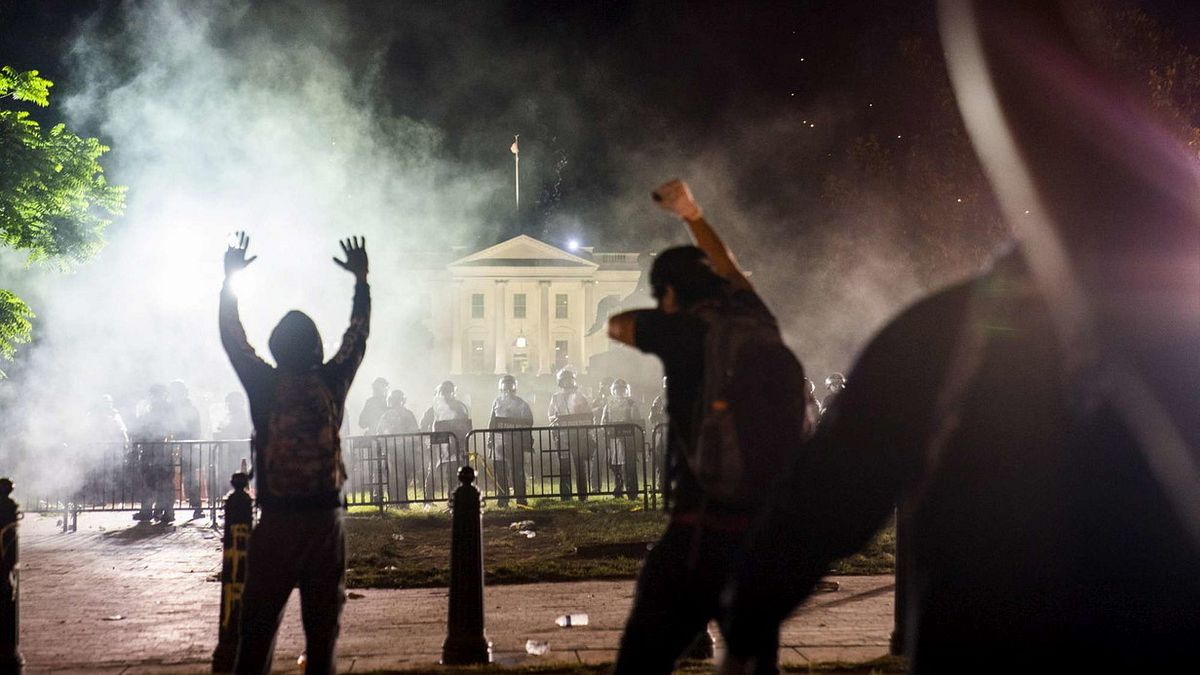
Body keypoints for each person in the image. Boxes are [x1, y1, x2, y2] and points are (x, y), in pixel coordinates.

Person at [719, 3, 1200, 672]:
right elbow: (823, 499)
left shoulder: (941, 336)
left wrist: (749, 612)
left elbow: (820, 502)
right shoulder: (950, 339)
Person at [606, 179, 809, 673]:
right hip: (761, 535)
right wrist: (693, 217)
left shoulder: (681, 332)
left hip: (699, 533)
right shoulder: (755, 316)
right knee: (755, 664)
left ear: (671, 294)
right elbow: (730, 267)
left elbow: (616, 325)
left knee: (641, 661)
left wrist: (664, 317)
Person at [220, 231, 370, 674]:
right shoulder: (332, 382)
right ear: (316, 347)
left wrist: (229, 281)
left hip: (279, 520)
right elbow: (357, 337)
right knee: (322, 635)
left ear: (276, 348)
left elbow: (233, 338)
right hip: (326, 522)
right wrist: (361, 282)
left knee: (258, 628)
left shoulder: (265, 385)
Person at [420, 380, 471, 502]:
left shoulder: (460, 407)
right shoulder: (434, 409)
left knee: (453, 473)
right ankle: (428, 500)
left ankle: (452, 499)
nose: (446, 395)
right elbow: (423, 424)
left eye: (449, 392)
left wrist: (460, 438)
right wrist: (427, 438)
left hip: (454, 445)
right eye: (444, 392)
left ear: (453, 393)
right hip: (438, 445)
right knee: (432, 472)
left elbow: (465, 425)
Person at [488, 375, 534, 507]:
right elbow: (492, 421)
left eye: (510, 385)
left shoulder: (521, 403)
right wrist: (490, 438)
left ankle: (521, 499)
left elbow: (529, 421)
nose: (507, 388)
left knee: (518, 472)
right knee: (501, 473)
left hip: (516, 442)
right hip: (499, 443)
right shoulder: (497, 402)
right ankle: (503, 499)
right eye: (505, 385)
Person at [547, 368, 593, 500]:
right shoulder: (555, 397)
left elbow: (588, 415)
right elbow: (550, 415)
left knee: (580, 466)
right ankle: (566, 496)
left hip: (579, 435)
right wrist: (557, 420)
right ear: (560, 381)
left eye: (569, 379)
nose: (567, 382)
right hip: (562, 436)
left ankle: (583, 496)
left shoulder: (581, 397)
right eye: (565, 380)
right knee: (564, 466)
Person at [132, 384, 174, 523]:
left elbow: (168, 429)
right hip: (150, 452)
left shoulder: (168, 410)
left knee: (164, 482)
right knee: (149, 482)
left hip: (163, 452)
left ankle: (166, 511)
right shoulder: (149, 410)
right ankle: (148, 510)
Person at [375, 389, 419, 505]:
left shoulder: (387, 415)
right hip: (403, 449)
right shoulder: (407, 414)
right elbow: (415, 432)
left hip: (393, 449)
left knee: (395, 476)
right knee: (402, 475)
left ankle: (396, 501)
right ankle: (401, 502)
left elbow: (379, 432)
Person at [169, 379, 205, 519]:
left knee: (190, 478)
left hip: (186, 447)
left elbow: (194, 430)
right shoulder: (172, 408)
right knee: (169, 478)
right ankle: (168, 508)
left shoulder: (189, 408)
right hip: (175, 447)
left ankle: (197, 506)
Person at [601, 379, 642, 499]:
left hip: (628, 438)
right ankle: (618, 489)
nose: (619, 391)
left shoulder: (631, 403)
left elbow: (637, 420)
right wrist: (606, 430)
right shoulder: (608, 404)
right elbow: (604, 420)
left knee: (629, 465)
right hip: (614, 438)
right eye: (617, 389)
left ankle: (632, 492)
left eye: (621, 389)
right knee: (615, 465)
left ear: (625, 390)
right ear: (613, 390)